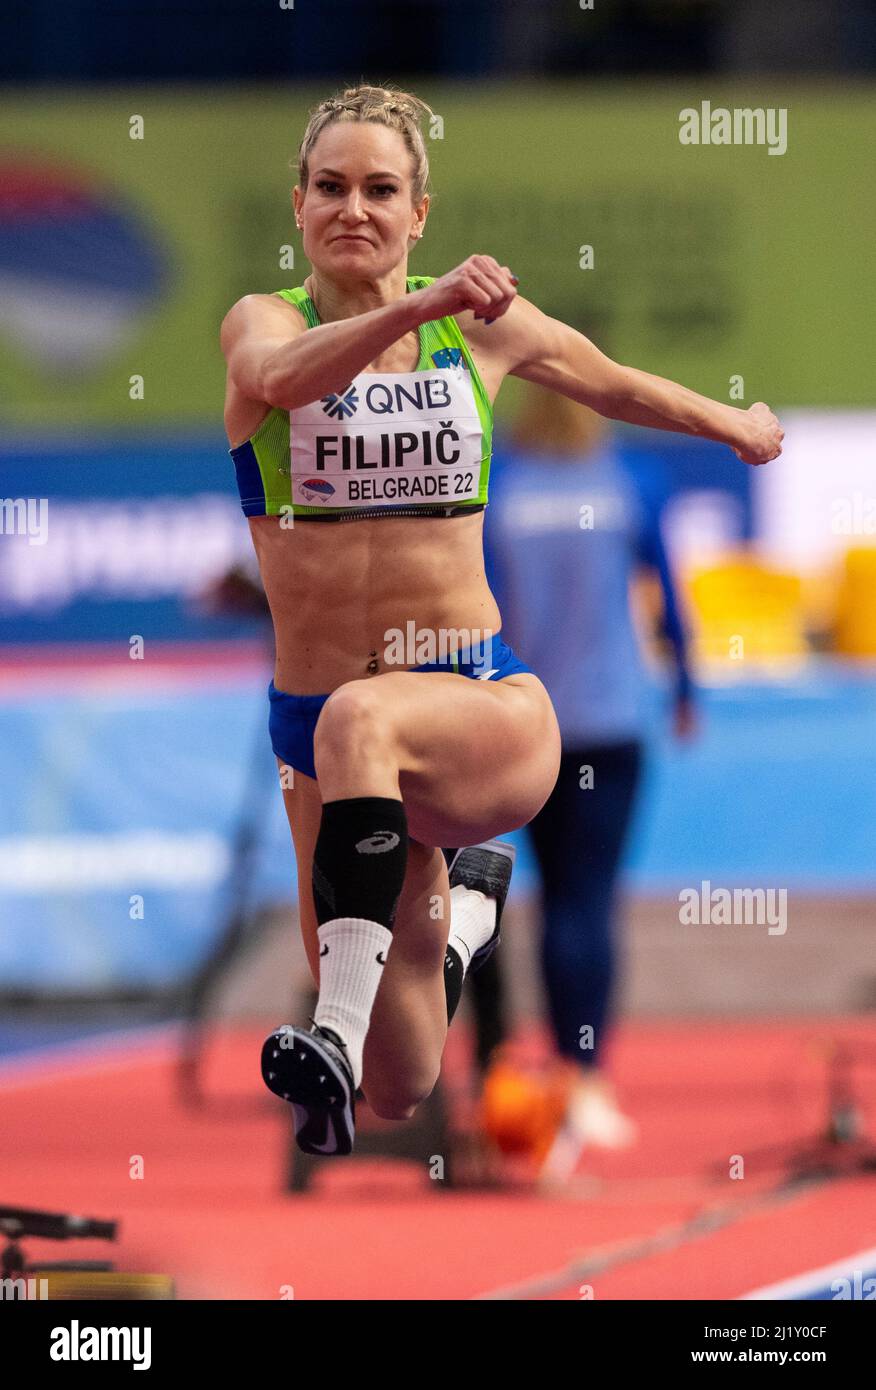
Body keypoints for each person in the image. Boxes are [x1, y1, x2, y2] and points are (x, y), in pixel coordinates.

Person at [219, 82, 783, 1157]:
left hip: (487, 702)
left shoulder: (478, 330)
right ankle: (465, 921)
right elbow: (278, 380)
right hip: (323, 747)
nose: (355, 208)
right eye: (330, 187)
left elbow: (612, 384)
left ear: (418, 214)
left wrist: (735, 423)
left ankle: (325, 1031)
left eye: (381, 189)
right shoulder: (267, 322)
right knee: (404, 1080)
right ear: (297, 205)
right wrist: (412, 310)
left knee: (360, 720)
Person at [484, 383, 696, 1178]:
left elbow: (477, 607)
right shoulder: (631, 480)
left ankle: (515, 1071)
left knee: (524, 903)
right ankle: (587, 1077)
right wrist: (685, 689)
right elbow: (668, 596)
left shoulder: (497, 485)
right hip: (609, 723)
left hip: (519, 724)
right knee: (587, 902)